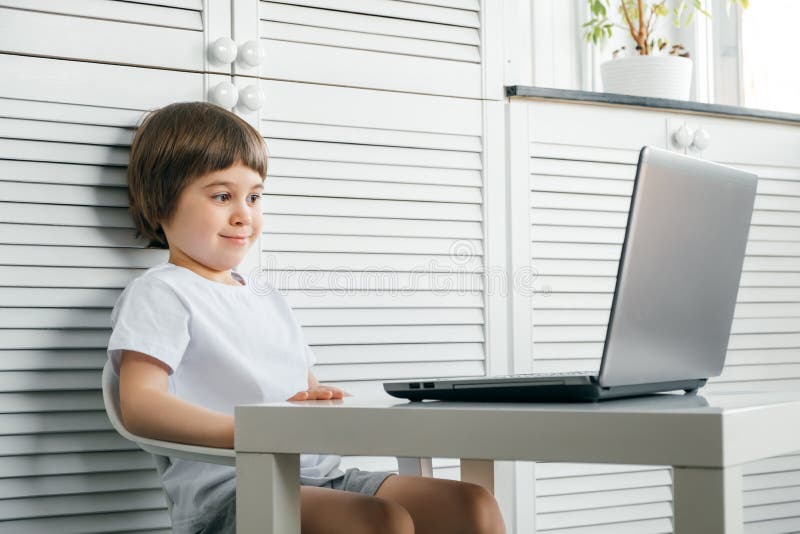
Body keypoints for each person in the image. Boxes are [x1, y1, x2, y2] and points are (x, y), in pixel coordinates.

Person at [107, 101, 506, 534]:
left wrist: (319, 401)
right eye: (222, 196)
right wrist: (256, 433)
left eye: (254, 197)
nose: (244, 214)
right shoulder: (161, 292)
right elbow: (141, 406)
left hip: (321, 475)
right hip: (234, 487)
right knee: (379, 520)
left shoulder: (266, 297)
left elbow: (304, 390)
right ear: (161, 202)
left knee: (471, 504)